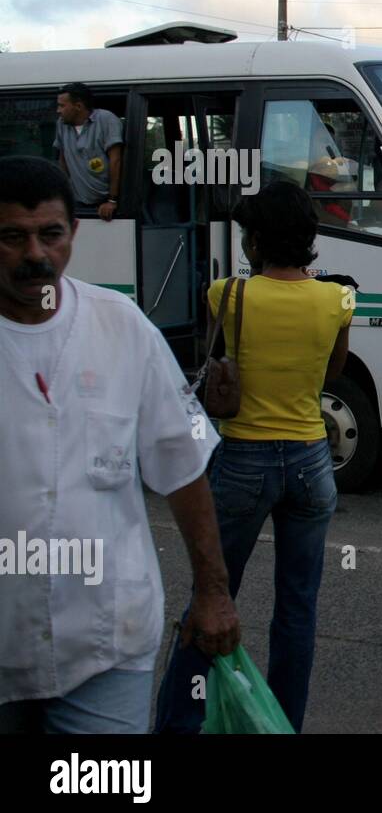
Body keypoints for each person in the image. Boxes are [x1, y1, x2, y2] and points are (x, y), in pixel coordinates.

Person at [0, 157, 238, 733]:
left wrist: (213, 593)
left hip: (107, 640)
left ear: (74, 233)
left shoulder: (121, 325)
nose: (37, 255)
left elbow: (183, 464)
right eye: (13, 237)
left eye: (51, 235)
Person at [155, 182, 353, 732]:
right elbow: (332, 372)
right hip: (313, 462)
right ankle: (282, 722)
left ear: (257, 239)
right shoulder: (337, 299)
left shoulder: (228, 294)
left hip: (243, 458)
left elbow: (222, 355)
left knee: (212, 598)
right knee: (297, 609)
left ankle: (179, 721)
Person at [52, 83, 122, 222]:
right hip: (79, 203)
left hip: (106, 202)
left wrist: (112, 200)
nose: (58, 110)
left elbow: (116, 160)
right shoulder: (62, 124)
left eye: (62, 106)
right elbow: (63, 159)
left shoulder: (106, 120)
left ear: (78, 106)